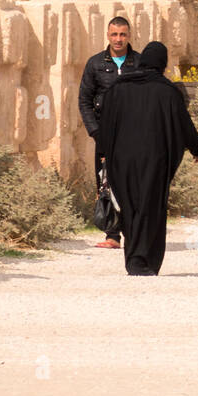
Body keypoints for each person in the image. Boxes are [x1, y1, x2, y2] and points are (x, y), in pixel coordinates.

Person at [96, 41, 198, 276]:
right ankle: (145, 259)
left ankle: (133, 258)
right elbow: (184, 124)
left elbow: (106, 124)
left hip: (122, 160)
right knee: (150, 206)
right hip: (155, 160)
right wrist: (197, 150)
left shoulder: (118, 88)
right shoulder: (167, 91)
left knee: (129, 205)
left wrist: (103, 153)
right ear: (162, 63)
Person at [78, 16, 138, 248]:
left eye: (123, 34)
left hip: (133, 134)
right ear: (107, 35)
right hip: (105, 135)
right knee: (105, 182)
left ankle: (133, 233)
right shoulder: (95, 64)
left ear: (129, 35)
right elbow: (84, 100)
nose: (118, 39)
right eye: (114, 34)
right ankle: (112, 234)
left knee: (133, 182)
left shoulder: (139, 63)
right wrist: (95, 131)